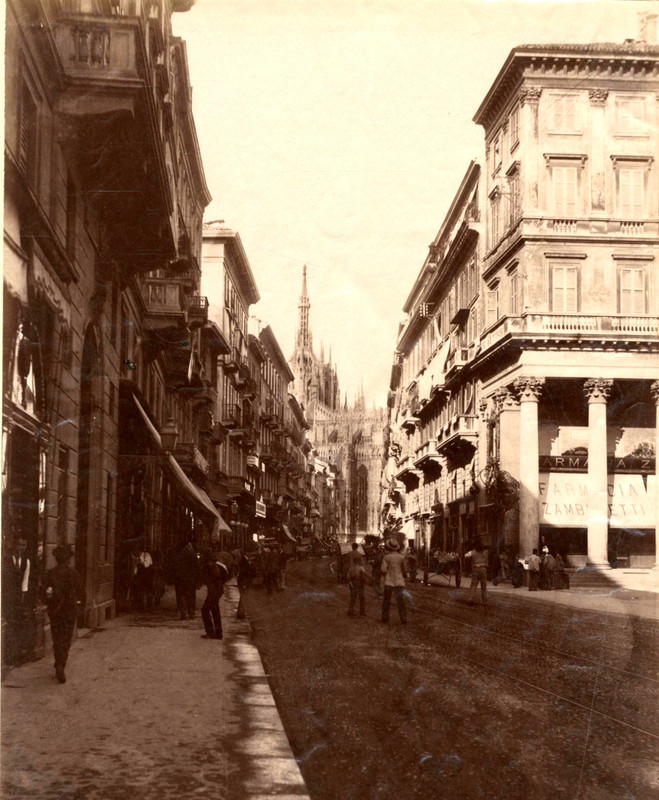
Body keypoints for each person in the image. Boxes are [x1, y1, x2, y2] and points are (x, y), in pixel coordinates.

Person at [42, 543, 84, 683]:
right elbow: (81, 592)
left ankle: (58, 662)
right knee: (66, 639)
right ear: (68, 559)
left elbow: (42, 593)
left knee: (57, 638)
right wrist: (79, 607)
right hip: (69, 611)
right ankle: (61, 664)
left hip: (55, 611)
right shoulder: (73, 573)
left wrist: (49, 599)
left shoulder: (50, 573)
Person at [2, 535, 32, 665]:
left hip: (17, 598)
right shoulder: (5, 559)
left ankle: (15, 655)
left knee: (17, 625)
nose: (21, 548)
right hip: (5, 595)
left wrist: (22, 599)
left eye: (24, 545)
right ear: (14, 545)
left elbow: (25, 582)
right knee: (9, 624)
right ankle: (8, 657)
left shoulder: (26, 561)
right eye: (19, 545)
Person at [200, 549, 229, 640]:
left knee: (205, 610)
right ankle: (217, 633)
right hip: (216, 592)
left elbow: (209, 581)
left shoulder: (212, 569)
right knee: (215, 612)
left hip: (214, 592)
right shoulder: (215, 567)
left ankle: (211, 632)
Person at [380, 539, 407, 624]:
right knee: (400, 601)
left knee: (386, 600)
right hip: (399, 581)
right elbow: (405, 570)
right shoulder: (401, 557)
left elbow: (383, 570)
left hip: (389, 581)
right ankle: (403, 618)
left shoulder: (386, 557)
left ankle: (385, 618)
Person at [173, 538, 199, 620]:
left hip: (180, 578)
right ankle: (191, 614)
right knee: (190, 596)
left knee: (181, 595)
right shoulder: (192, 553)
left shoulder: (179, 552)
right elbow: (197, 566)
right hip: (190, 579)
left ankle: (183, 614)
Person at [132, 543, 153, 610]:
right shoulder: (134, 556)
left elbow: (146, 564)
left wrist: (137, 561)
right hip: (139, 576)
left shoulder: (146, 555)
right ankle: (139, 605)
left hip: (146, 575)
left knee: (147, 590)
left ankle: (149, 605)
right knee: (138, 590)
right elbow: (134, 568)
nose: (136, 552)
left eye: (137, 551)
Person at [467, 541, 489, 605]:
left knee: (473, 585)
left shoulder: (472, 552)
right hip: (483, 569)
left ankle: (470, 598)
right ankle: (484, 601)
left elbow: (466, 556)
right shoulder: (485, 553)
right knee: (484, 586)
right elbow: (487, 561)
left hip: (475, 568)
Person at [236, 550, 255, 619]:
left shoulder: (244, 559)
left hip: (243, 581)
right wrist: (244, 583)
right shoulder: (244, 560)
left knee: (243, 597)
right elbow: (243, 572)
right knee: (244, 597)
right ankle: (241, 613)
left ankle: (241, 612)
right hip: (243, 582)